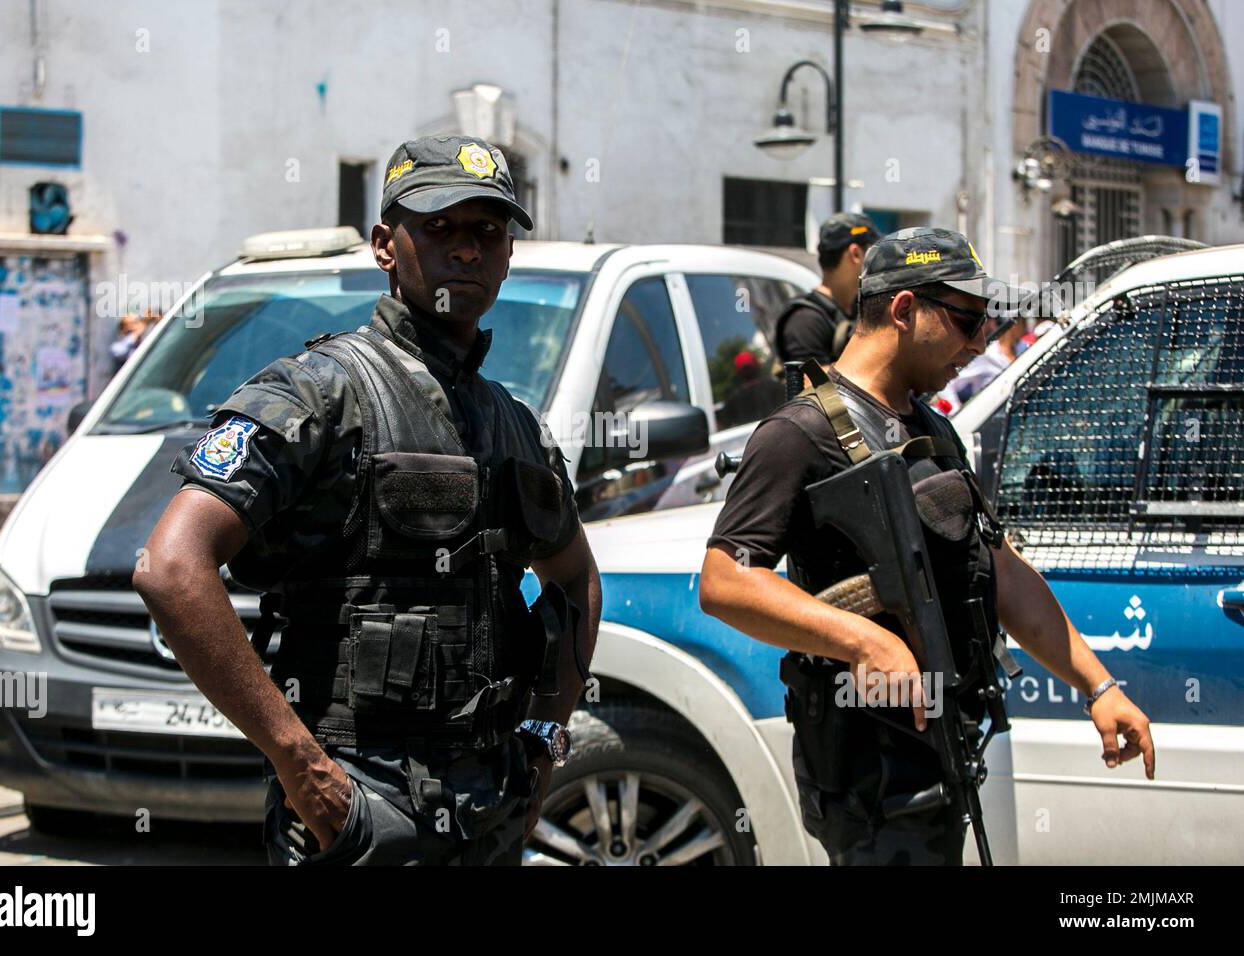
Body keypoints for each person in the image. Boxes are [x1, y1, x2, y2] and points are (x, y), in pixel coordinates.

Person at [135, 134, 601, 866]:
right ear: (386, 245)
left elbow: (575, 577)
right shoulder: (319, 391)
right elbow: (170, 567)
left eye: (488, 231)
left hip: (490, 805)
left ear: (508, 253)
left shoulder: (515, 425)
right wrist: (301, 764)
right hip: (363, 806)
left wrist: (542, 738)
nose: (468, 250)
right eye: (439, 227)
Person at [699, 227, 1154, 865]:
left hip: (944, 756)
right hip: (870, 776)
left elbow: (1000, 570)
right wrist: (864, 640)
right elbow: (725, 581)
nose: (979, 342)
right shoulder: (798, 432)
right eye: (967, 319)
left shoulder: (932, 428)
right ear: (905, 309)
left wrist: (1099, 687)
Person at [774, 212, 881, 367]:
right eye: (873, 253)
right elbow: (813, 387)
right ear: (855, 253)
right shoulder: (805, 321)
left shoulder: (861, 310)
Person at [932, 316, 1030, 415]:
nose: (1026, 329)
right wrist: (958, 412)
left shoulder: (1025, 348)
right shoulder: (987, 354)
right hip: (988, 417)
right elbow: (950, 384)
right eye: (1023, 323)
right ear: (1012, 325)